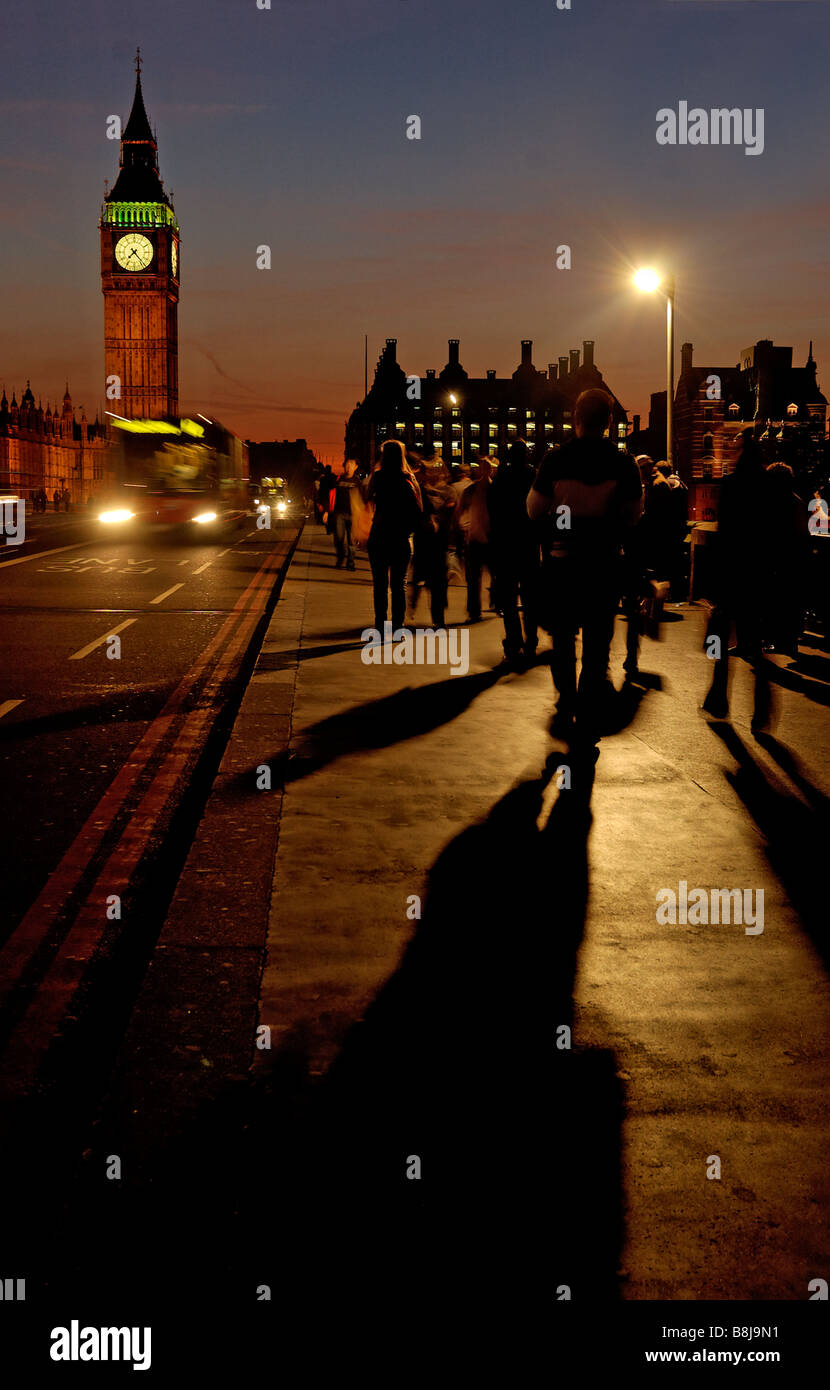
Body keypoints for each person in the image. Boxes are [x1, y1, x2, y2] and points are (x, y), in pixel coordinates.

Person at [527, 389, 643, 746]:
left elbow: (533, 509)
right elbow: (634, 514)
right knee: (597, 641)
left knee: (562, 637)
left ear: (575, 419)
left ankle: (565, 698)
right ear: (609, 422)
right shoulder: (624, 464)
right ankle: (588, 702)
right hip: (603, 565)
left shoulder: (555, 460)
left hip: (564, 563)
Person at [702, 431, 778, 730]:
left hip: (733, 570)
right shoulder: (770, 486)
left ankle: (719, 695)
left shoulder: (731, 485)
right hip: (758, 572)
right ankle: (762, 710)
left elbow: (725, 532)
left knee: (720, 638)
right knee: (754, 643)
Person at [488, 439, 540, 665]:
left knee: (508, 598)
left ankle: (513, 639)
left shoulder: (501, 478)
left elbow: (493, 509)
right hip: (529, 544)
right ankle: (531, 640)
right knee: (530, 597)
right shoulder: (535, 476)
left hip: (506, 544)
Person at [367, 440, 423, 633]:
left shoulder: (378, 477)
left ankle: (380, 626)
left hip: (379, 535)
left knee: (380, 585)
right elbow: (419, 510)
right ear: (402, 455)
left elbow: (368, 500)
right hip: (400, 538)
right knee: (399, 585)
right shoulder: (409, 478)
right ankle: (398, 627)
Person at [459, 456, 495, 622]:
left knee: (477, 578)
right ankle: (477, 610)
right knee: (476, 578)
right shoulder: (490, 490)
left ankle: (482, 608)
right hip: (481, 539)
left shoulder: (489, 490)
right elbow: (459, 511)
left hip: (485, 538)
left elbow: (459, 511)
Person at [329, 459, 360, 569]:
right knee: (339, 538)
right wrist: (327, 511)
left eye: (351, 465)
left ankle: (350, 562)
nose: (348, 467)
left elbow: (362, 499)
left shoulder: (357, 482)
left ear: (355, 467)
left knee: (351, 541)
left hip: (353, 515)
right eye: (347, 465)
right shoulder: (338, 479)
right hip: (339, 514)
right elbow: (330, 494)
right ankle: (340, 558)